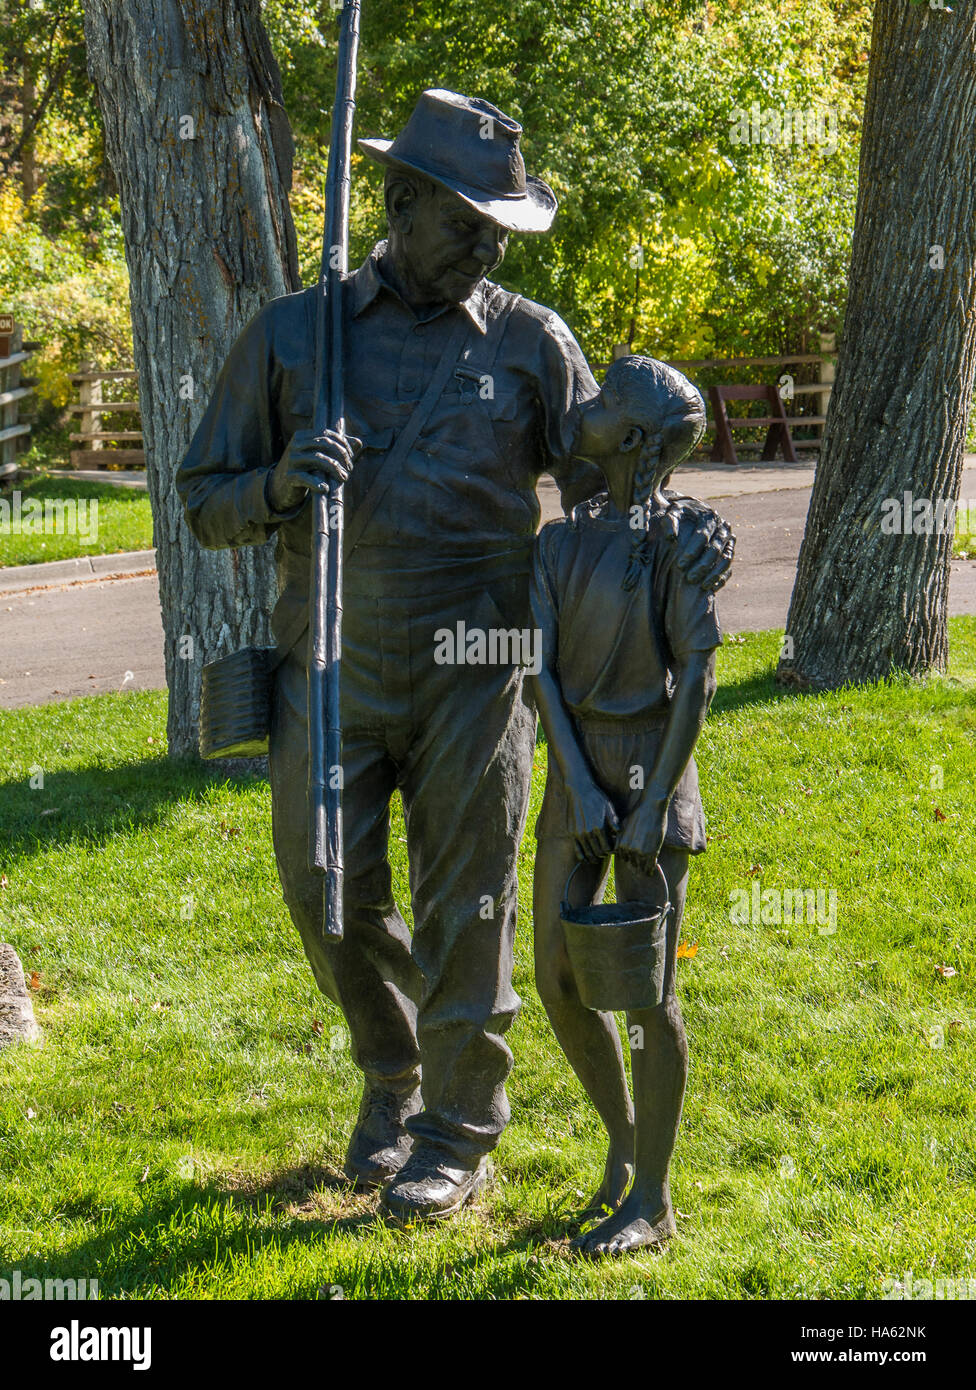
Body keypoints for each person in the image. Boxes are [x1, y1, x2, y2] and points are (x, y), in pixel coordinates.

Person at [177, 89, 734, 1224]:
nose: (488, 243)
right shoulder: (296, 334)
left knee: (469, 900)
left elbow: (613, 488)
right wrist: (283, 485)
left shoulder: (533, 342)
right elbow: (203, 498)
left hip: (479, 668)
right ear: (399, 201)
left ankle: (456, 1127)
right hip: (327, 657)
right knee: (323, 889)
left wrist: (686, 534)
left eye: (501, 227)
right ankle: (393, 1073)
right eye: (470, 220)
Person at [530, 356, 721, 1256]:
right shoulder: (559, 543)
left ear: (636, 441)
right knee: (559, 977)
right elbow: (539, 671)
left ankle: (654, 1196)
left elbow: (698, 679)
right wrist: (571, 780)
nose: (587, 408)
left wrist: (648, 810)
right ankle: (621, 1143)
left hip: (654, 769)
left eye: (606, 404)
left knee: (648, 993)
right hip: (577, 766)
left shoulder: (678, 543)